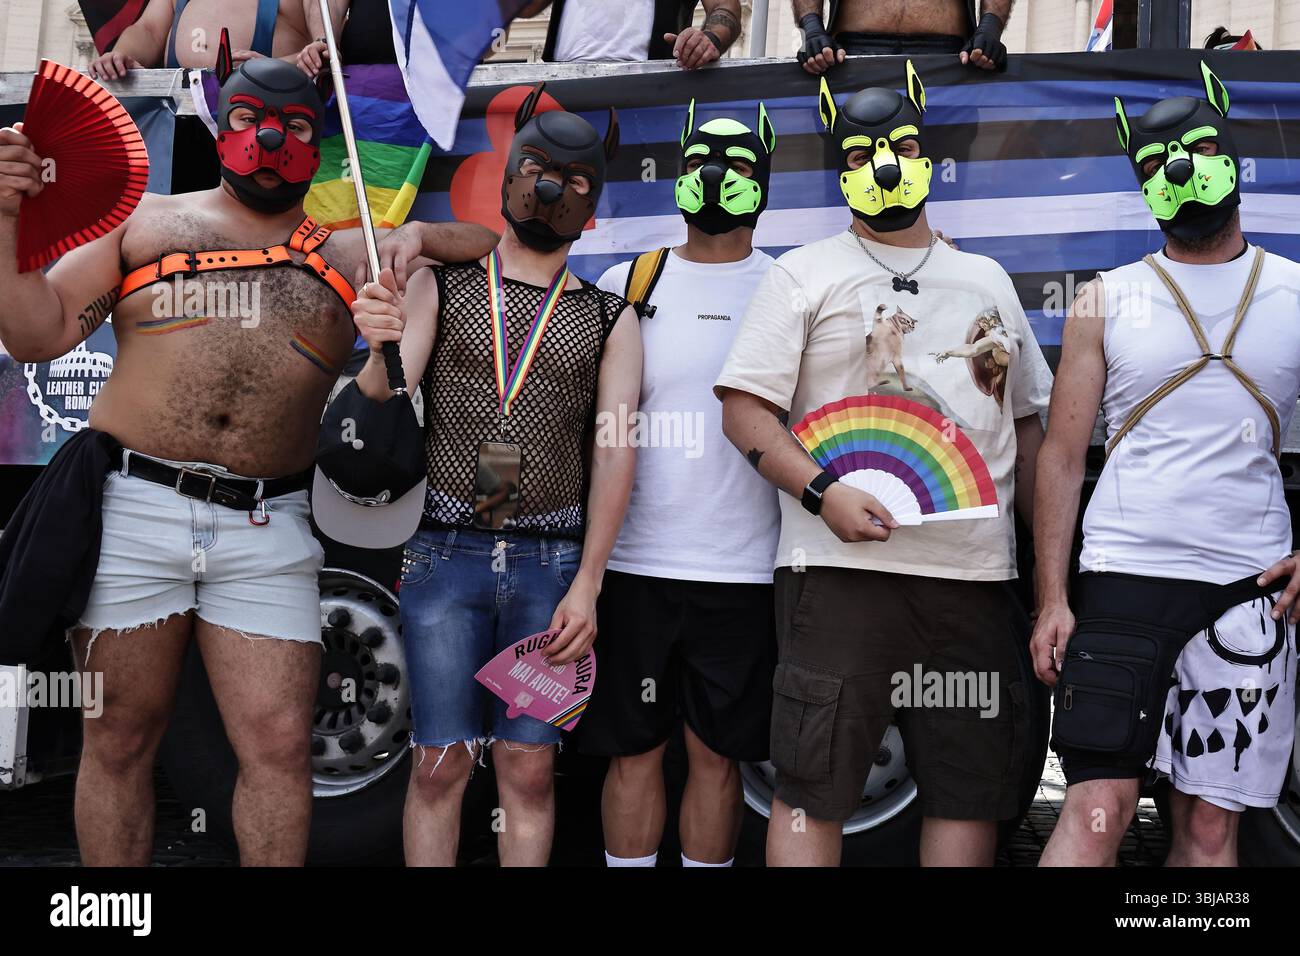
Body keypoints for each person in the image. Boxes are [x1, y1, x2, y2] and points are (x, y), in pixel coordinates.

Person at [0, 43, 495, 866]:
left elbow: (486, 242)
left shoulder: (349, 252)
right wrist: (6, 220)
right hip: (134, 506)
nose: (271, 141)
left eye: (297, 126)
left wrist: (416, 236)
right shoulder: (146, 222)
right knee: (119, 737)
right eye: (251, 122)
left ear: (321, 140)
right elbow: (37, 330)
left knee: (275, 744)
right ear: (218, 125)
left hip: (268, 524)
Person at [715, 61, 1052, 867]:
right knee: (811, 787)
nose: (885, 165)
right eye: (863, 152)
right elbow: (743, 410)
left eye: (899, 145)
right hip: (837, 579)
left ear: (928, 154)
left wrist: (1048, 581)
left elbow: (1029, 431)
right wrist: (824, 492)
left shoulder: (988, 280)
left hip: (974, 584)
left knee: (966, 789)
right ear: (841, 171)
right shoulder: (804, 271)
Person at [349, 85, 642, 867]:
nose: (553, 190)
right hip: (444, 555)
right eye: (540, 169)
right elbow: (388, 392)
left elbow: (616, 449)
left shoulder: (612, 317)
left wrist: (590, 582)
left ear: (594, 204)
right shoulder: (441, 283)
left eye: (577, 182)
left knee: (529, 769)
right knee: (439, 764)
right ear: (511, 172)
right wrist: (375, 346)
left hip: (550, 567)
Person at [1032, 61, 1300, 867]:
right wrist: (1051, 595)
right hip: (1123, 576)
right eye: (1154, 165)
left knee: (1213, 828)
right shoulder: (1105, 298)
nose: (1178, 173)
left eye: (1193, 150)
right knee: (1097, 810)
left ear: (1228, 152)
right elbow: (1059, 456)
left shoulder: (1295, 293)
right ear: (1141, 185)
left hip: (1246, 591)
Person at [571, 101, 782, 868]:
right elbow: (583, 424)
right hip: (633, 568)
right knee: (630, 754)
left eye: (737, 165)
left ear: (764, 180)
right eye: (701, 162)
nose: (718, 178)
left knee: (716, 758)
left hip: (744, 572)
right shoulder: (630, 279)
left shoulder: (791, 289)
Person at [88, 0, 315, 76]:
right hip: (176, 116)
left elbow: (323, 53)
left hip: (262, 112)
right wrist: (120, 56)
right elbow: (149, 30)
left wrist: (270, 69)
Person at [794, 0, 1013, 75]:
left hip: (947, 55)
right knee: (851, 161)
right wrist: (812, 29)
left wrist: (989, 29)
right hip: (852, 52)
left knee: (945, 163)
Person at [521, 0, 743, 70]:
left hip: (649, 87)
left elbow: (725, 7)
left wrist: (709, 40)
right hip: (564, 83)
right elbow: (525, 7)